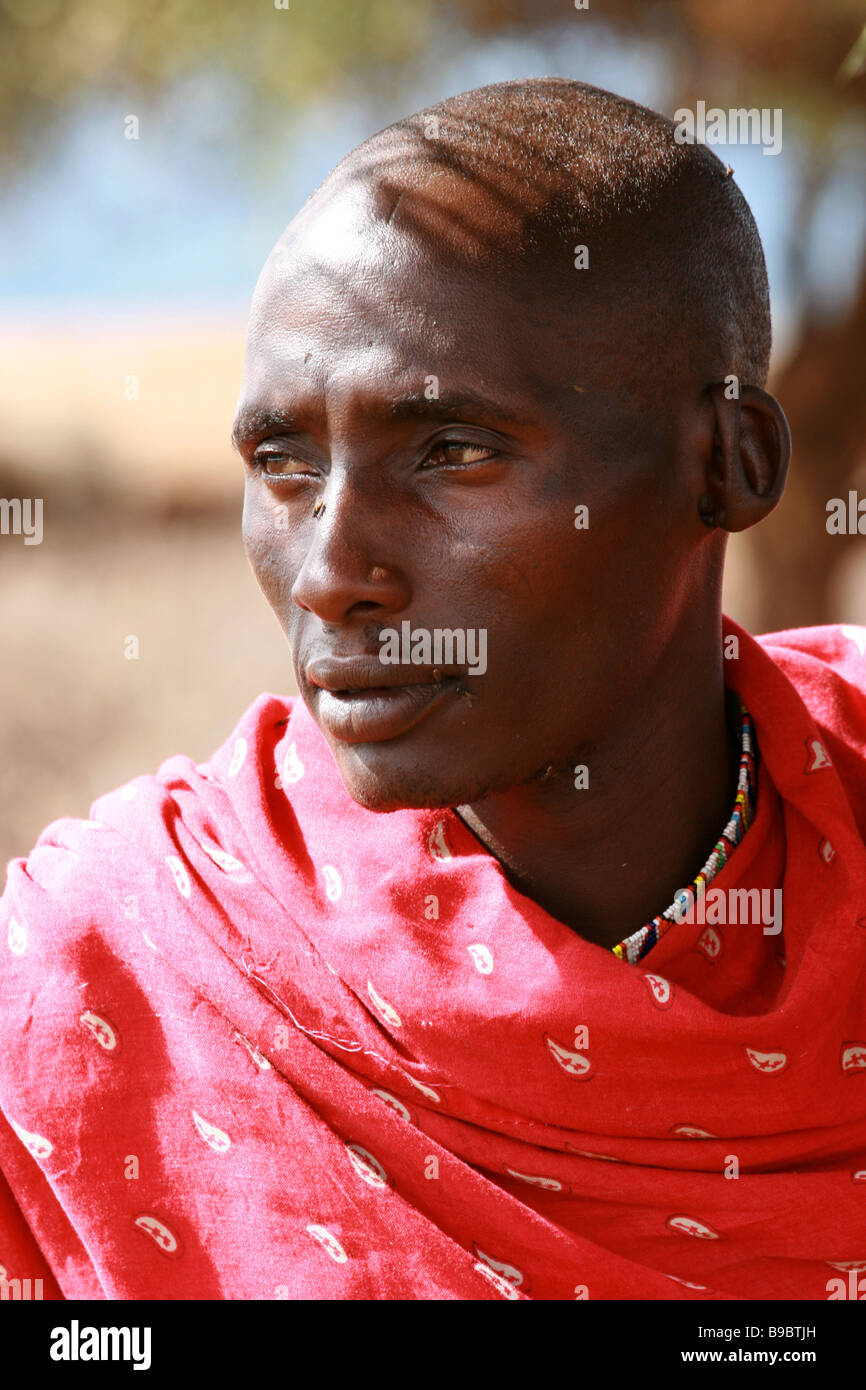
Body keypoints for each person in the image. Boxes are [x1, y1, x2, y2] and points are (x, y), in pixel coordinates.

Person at [1, 77, 865, 1302]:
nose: (332, 573)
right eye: (284, 464)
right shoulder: (103, 979)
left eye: (451, 451)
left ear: (726, 464)